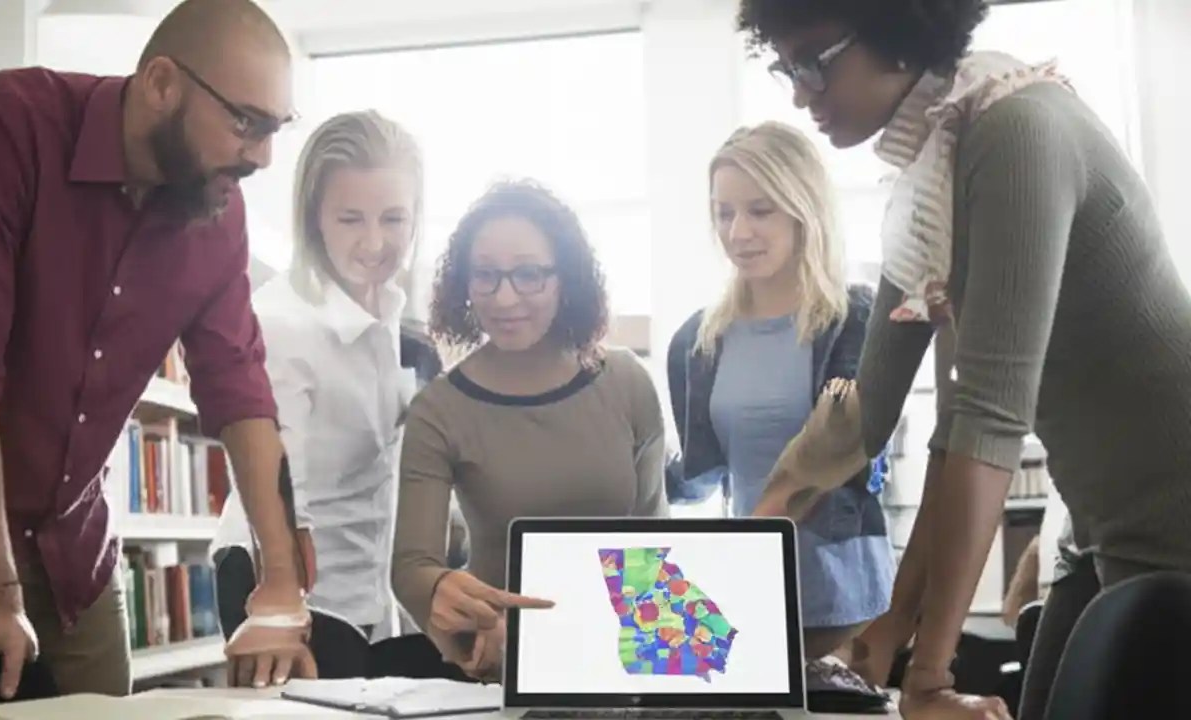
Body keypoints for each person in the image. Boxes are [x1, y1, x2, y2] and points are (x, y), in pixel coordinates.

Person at [736, 0, 1191, 718]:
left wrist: (930, 679)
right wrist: (765, 524)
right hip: (1100, 520)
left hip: (1173, 515)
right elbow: (873, 407)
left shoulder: (1013, 126)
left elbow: (987, 419)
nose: (799, 92)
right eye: (785, 66)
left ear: (897, 27)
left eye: (814, 62)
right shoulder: (932, 161)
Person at [0, 0, 317, 700]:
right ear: (161, 83)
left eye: (275, 130)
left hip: (79, 567)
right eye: (244, 122)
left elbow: (239, 388)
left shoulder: (219, 212)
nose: (262, 156)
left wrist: (280, 587)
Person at [392, 180, 668, 681]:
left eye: (529, 275)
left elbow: (657, 536)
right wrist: (449, 605)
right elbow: (412, 567)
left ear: (567, 280)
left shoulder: (628, 383)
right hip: (504, 660)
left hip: (626, 661)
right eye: (486, 277)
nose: (505, 297)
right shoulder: (439, 409)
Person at [209, 110, 433, 679]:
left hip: (363, 585)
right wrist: (281, 609)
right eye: (351, 218)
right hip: (280, 572)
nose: (375, 242)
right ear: (315, 218)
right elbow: (283, 475)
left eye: (394, 218)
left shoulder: (388, 314)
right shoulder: (285, 321)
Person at [666, 122, 895, 664]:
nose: (738, 232)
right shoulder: (699, 340)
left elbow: (842, 455)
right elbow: (701, 473)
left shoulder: (856, 319)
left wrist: (754, 543)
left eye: (760, 210)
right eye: (725, 213)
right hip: (747, 586)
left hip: (841, 595)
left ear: (803, 209)